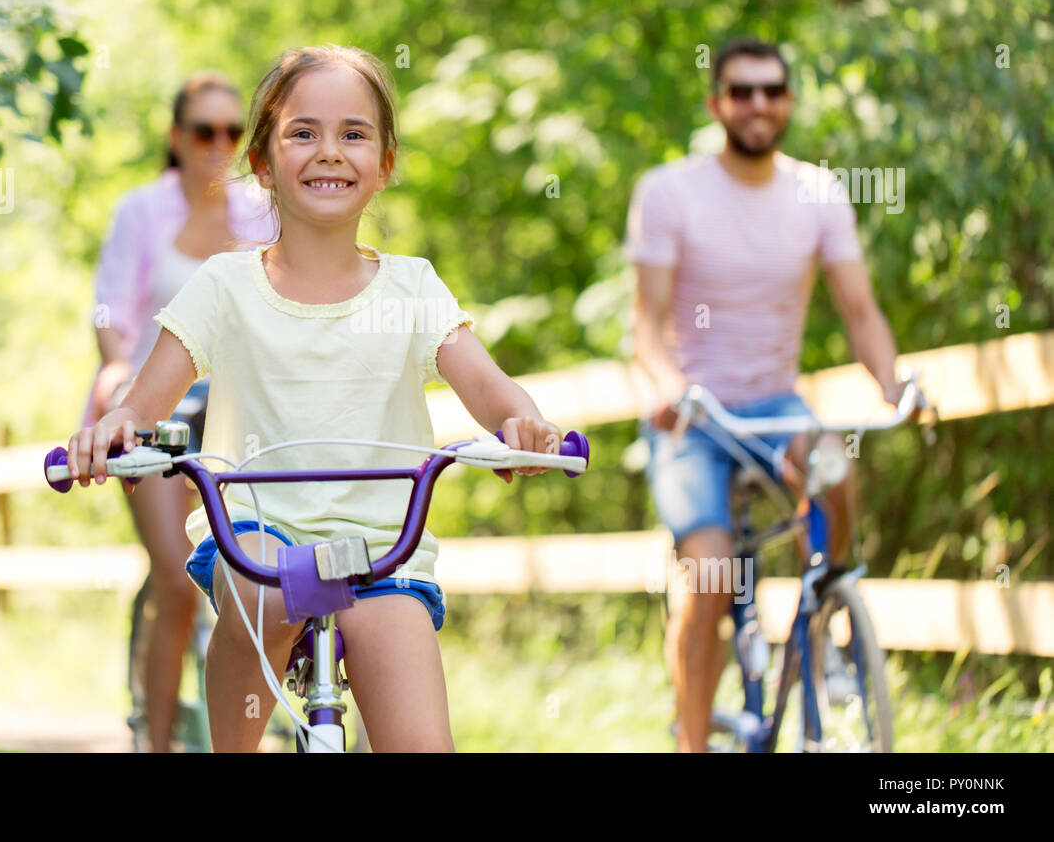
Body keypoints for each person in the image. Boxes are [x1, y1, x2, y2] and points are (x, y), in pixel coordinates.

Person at [68, 44, 561, 752]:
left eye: (354, 134)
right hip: (259, 543)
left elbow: (489, 387)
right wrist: (110, 431)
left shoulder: (413, 288)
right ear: (262, 163)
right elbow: (142, 405)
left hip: (383, 558)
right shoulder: (224, 288)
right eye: (303, 133)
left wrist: (525, 425)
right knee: (270, 595)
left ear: (385, 163)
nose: (329, 152)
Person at [626, 38, 906, 752]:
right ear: (717, 102)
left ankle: (826, 622)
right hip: (696, 416)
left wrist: (894, 381)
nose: (759, 103)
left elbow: (861, 311)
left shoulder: (818, 193)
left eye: (773, 90)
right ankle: (692, 742)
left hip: (778, 407)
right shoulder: (669, 191)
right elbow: (647, 327)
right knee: (711, 573)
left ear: (787, 100)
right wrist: (666, 387)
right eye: (743, 91)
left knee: (835, 470)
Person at [85, 72, 277, 753]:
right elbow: (111, 310)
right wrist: (116, 372)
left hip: (241, 412)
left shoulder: (263, 211)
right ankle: (156, 742)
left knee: (257, 567)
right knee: (174, 576)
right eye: (204, 131)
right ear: (177, 138)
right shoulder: (141, 211)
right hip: (156, 407)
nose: (218, 145)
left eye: (232, 131)